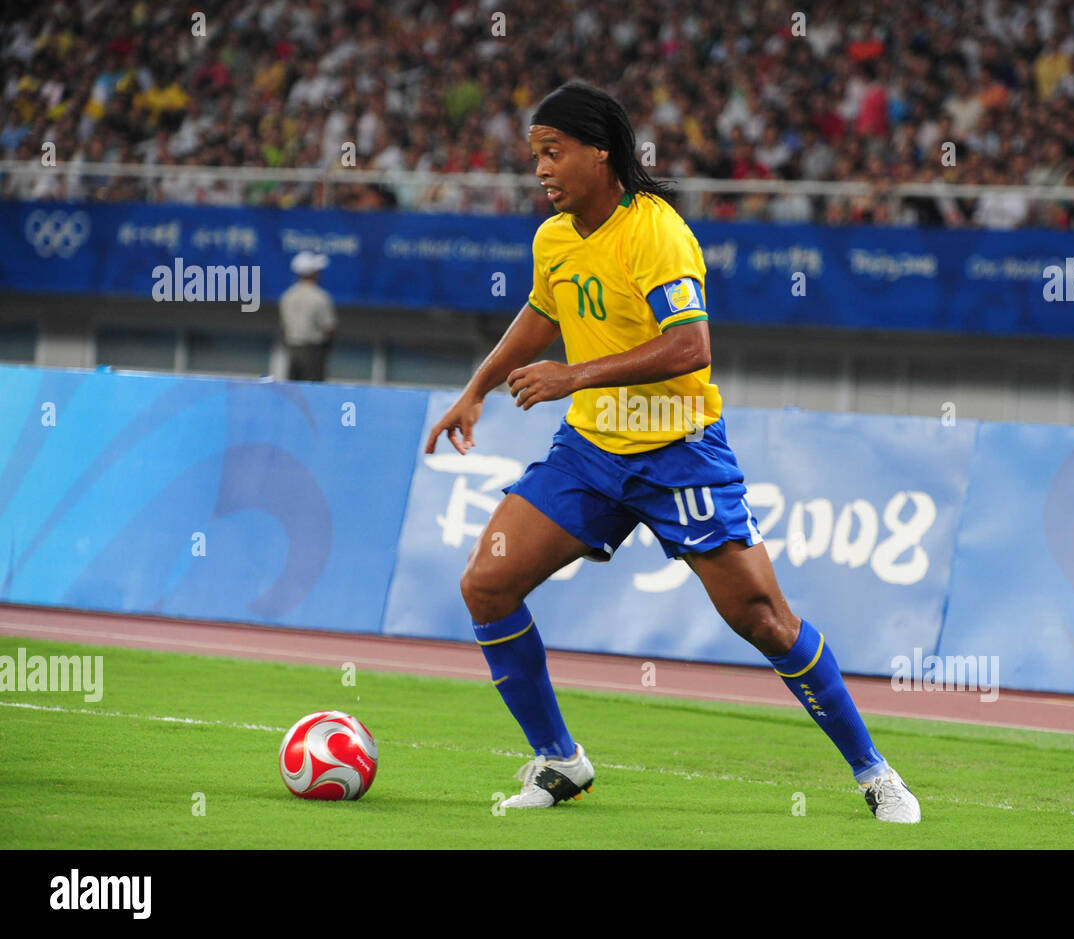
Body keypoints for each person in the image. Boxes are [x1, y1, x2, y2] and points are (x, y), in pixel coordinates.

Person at [423, 80, 920, 824]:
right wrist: (477, 389)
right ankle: (560, 761)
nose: (541, 171)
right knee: (486, 583)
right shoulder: (553, 238)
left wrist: (574, 374)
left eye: (553, 153)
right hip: (591, 450)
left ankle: (876, 771)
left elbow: (691, 346)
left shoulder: (655, 230)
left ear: (600, 152)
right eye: (536, 157)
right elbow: (540, 314)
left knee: (764, 619)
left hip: (679, 451)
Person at [280, 251, 336, 382]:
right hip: (313, 350)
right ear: (312, 273)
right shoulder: (319, 297)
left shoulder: (287, 296)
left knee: (294, 390)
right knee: (313, 390)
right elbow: (329, 328)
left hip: (292, 349)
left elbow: (283, 326)